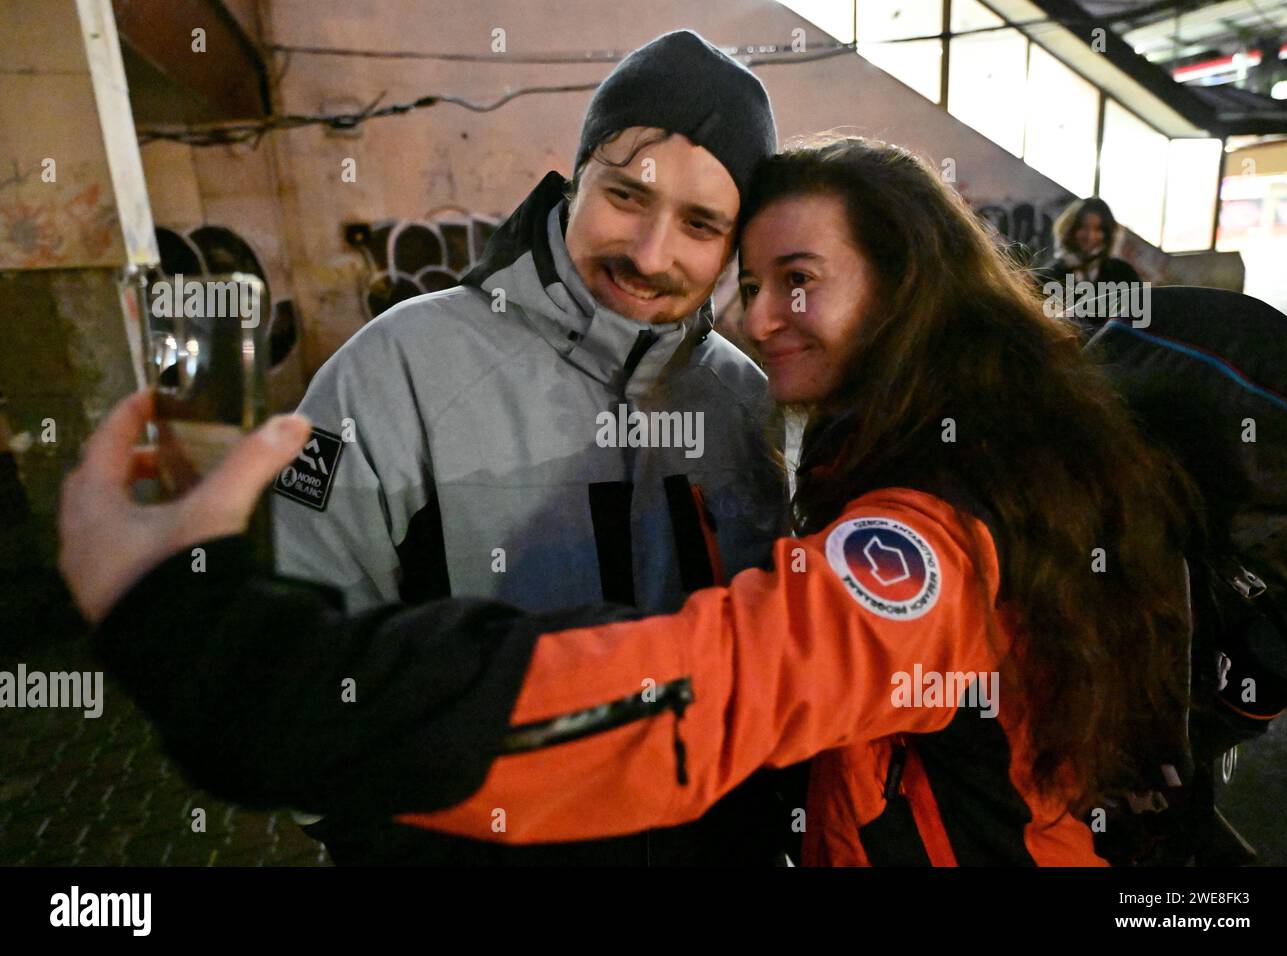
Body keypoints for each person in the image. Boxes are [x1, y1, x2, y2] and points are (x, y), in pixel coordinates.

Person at [62, 136, 1198, 865]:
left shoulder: (896, 505)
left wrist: (232, 665)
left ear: (907, 285)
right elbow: (321, 523)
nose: (756, 315)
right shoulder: (400, 357)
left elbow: (718, 683)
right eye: (750, 284)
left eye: (787, 275)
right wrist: (356, 798)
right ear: (578, 180)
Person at [268, 30, 788, 864]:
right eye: (626, 196)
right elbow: (292, 641)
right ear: (574, 177)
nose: (650, 255)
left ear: (734, 244)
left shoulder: (746, 403)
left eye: (700, 224)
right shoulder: (395, 369)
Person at [1039, 197, 1142, 337]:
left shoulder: (1123, 273)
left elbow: (1140, 319)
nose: (1090, 236)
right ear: (1069, 230)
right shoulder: (1049, 275)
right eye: (1083, 227)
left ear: (1108, 234)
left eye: (1099, 229)